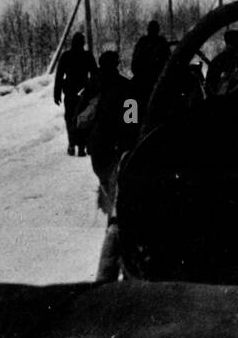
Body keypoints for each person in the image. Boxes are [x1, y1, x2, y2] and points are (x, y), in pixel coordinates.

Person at [87, 51, 141, 213]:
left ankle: (108, 201)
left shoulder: (92, 85)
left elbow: (79, 115)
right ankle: (112, 205)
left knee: (104, 174)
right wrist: (130, 137)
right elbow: (132, 117)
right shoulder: (126, 86)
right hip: (117, 141)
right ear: (116, 64)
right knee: (116, 176)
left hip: (98, 141)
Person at [54, 33, 96, 156]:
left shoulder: (66, 56)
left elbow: (59, 77)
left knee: (70, 119)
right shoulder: (87, 56)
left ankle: (72, 144)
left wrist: (57, 93)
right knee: (83, 119)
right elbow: (95, 74)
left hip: (71, 93)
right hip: (83, 93)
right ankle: (81, 146)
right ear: (83, 43)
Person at [130, 20, 170, 114]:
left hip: (156, 79)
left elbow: (168, 62)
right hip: (145, 80)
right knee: (131, 98)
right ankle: (131, 122)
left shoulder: (161, 42)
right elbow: (135, 65)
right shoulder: (144, 42)